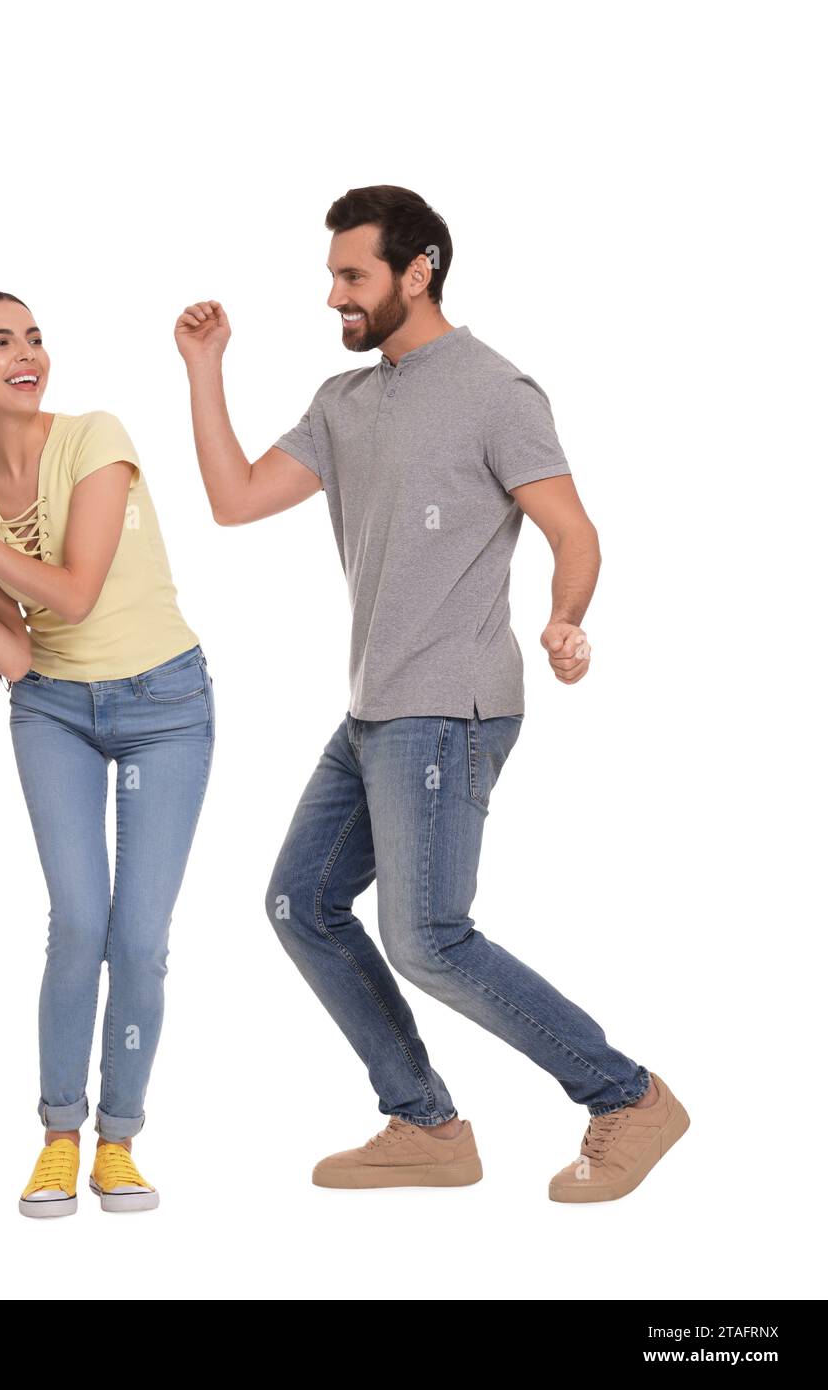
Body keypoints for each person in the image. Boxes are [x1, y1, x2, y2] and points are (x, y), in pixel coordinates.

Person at [174, 186, 688, 1203]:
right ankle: (426, 1125)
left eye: (352, 275)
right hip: (372, 708)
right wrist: (204, 371)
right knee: (301, 901)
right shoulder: (344, 402)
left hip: (451, 703)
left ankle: (625, 1096)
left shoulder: (497, 390)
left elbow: (573, 530)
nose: (334, 296)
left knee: (429, 937)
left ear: (420, 271)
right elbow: (234, 501)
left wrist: (564, 617)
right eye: (331, 275)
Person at [0, 290, 215, 1217]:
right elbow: (17, 653)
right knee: (78, 923)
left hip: (166, 705)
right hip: (55, 713)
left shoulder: (95, 438)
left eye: (33, 336)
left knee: (138, 940)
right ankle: (59, 1139)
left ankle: (119, 1145)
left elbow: (72, 595)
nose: (26, 353)